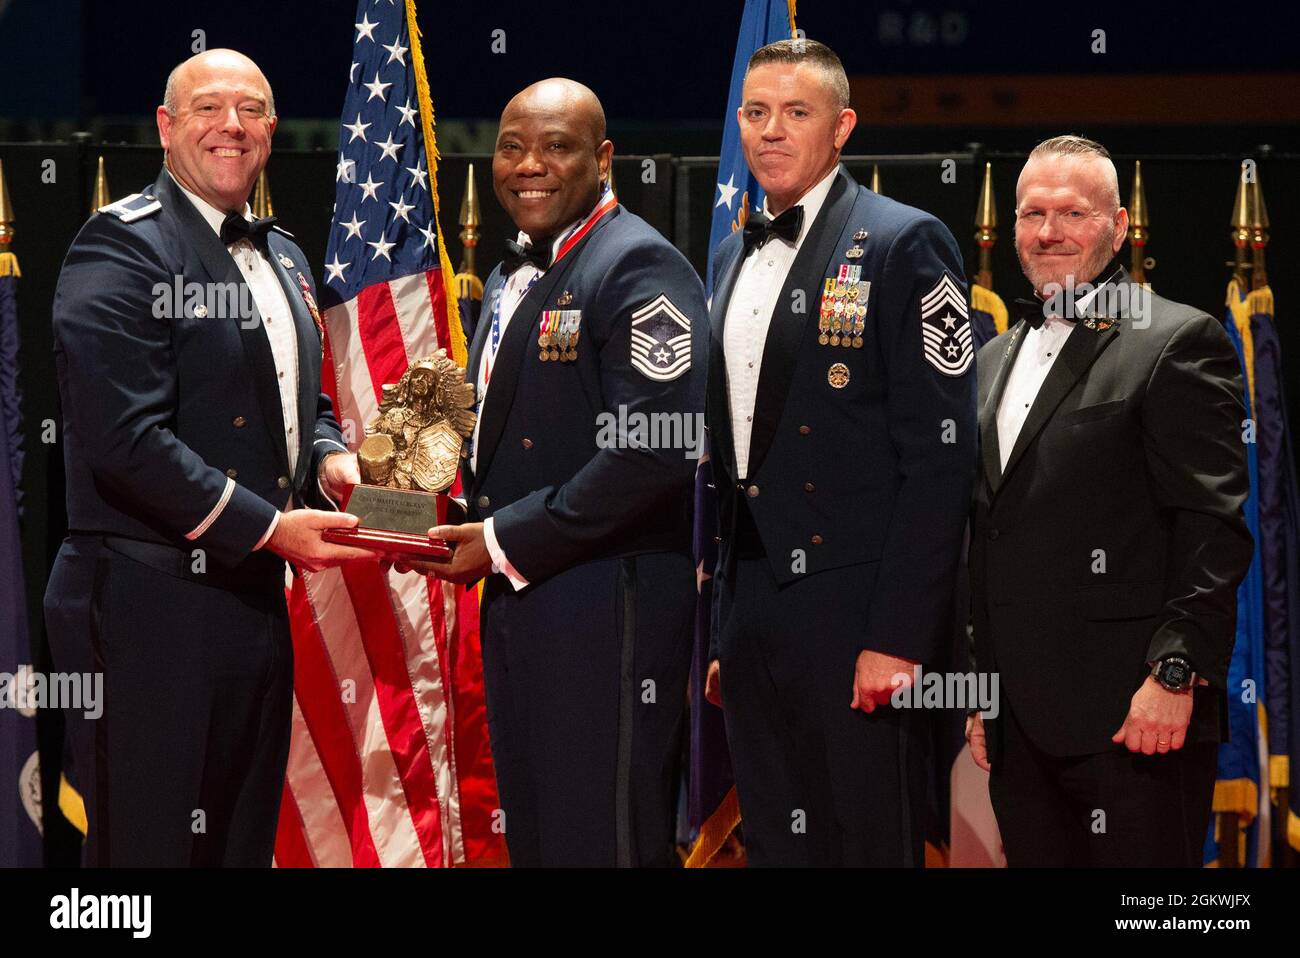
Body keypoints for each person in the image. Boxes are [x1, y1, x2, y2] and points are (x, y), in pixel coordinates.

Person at [45, 49, 377, 867]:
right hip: (144, 602)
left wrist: (327, 459)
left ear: (272, 129)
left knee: (235, 845)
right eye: (208, 108)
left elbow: (300, 399)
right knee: (147, 853)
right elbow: (124, 440)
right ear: (166, 127)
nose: (232, 126)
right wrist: (271, 529)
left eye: (251, 110)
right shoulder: (120, 247)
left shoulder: (285, 254)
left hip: (251, 602)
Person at [416, 79, 707, 867]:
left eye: (556, 147)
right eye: (511, 147)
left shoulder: (639, 264)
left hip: (608, 606)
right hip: (525, 600)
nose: (528, 166)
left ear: (603, 159)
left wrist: (501, 538)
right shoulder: (512, 275)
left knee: (601, 840)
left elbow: (654, 448)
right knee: (543, 840)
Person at [704, 39, 977, 866]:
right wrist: (724, 630)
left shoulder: (904, 241)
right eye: (757, 113)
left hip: (858, 611)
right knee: (776, 843)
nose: (772, 131)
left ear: (842, 126)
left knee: (864, 842)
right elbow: (730, 462)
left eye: (797, 112)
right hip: (754, 608)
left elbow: (940, 458)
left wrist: (898, 636)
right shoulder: (730, 254)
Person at [965, 135, 1252, 866]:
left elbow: (1213, 528)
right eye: (1033, 214)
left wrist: (1175, 674)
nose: (1048, 232)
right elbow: (989, 534)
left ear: (1119, 227)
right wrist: (980, 690)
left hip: (1137, 715)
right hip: (1016, 725)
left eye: (1072, 213)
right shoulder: (990, 359)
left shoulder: (1177, 339)